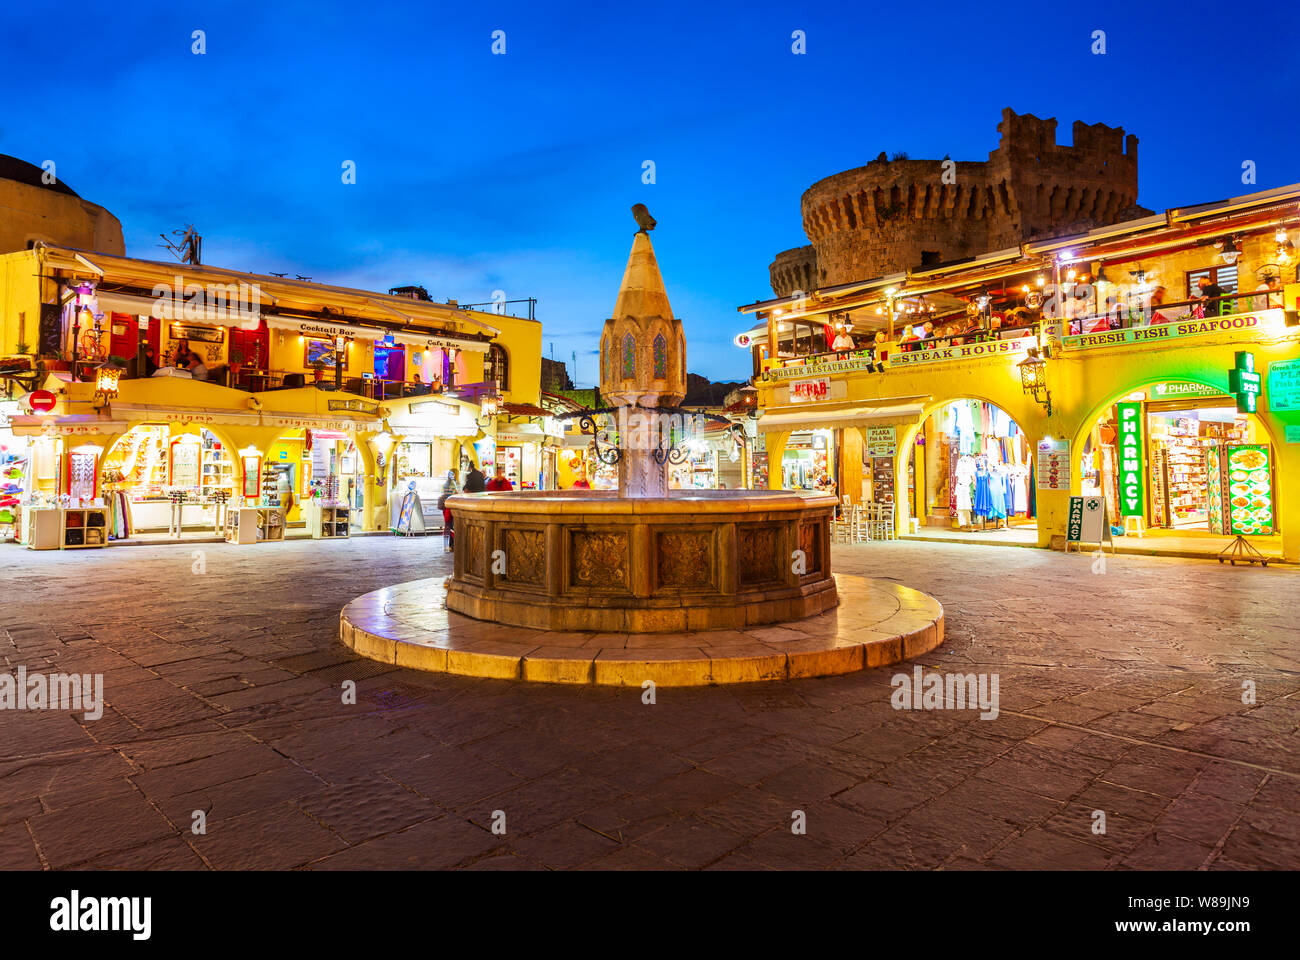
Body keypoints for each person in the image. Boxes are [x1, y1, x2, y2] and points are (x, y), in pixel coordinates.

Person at [436, 471, 458, 552]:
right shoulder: (454, 484)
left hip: (445, 506)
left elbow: (443, 493)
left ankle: (447, 545)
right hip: (450, 506)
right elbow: (455, 493)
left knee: (447, 524)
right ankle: (450, 545)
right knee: (451, 525)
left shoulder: (445, 484)